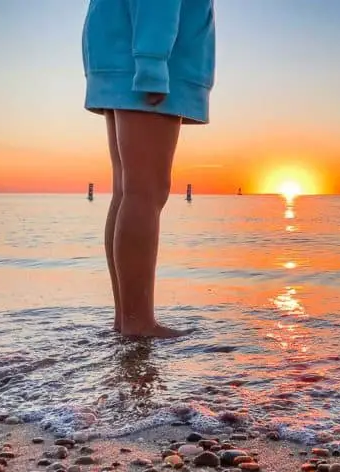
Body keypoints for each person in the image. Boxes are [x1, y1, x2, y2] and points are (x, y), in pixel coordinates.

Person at [82, 0, 215, 337]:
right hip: (149, 62)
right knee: (146, 192)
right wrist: (153, 62)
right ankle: (138, 323)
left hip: (122, 55)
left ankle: (127, 320)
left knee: (129, 191)